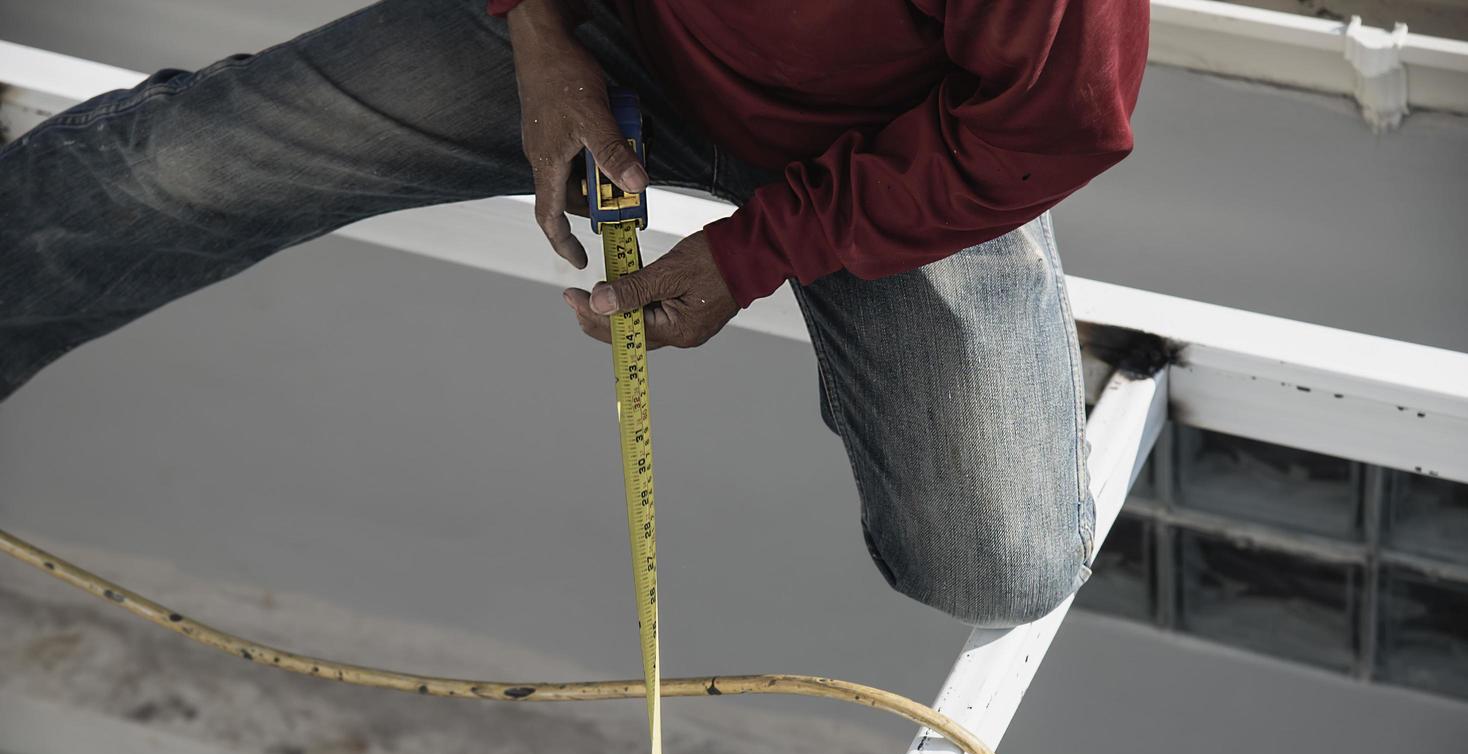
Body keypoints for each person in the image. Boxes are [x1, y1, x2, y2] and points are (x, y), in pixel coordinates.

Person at [0, 0, 1147, 626]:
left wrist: (762, 250)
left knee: (996, 564)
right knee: (175, 163)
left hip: (894, 141)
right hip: (608, 23)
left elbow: (1048, 127)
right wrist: (539, 43)